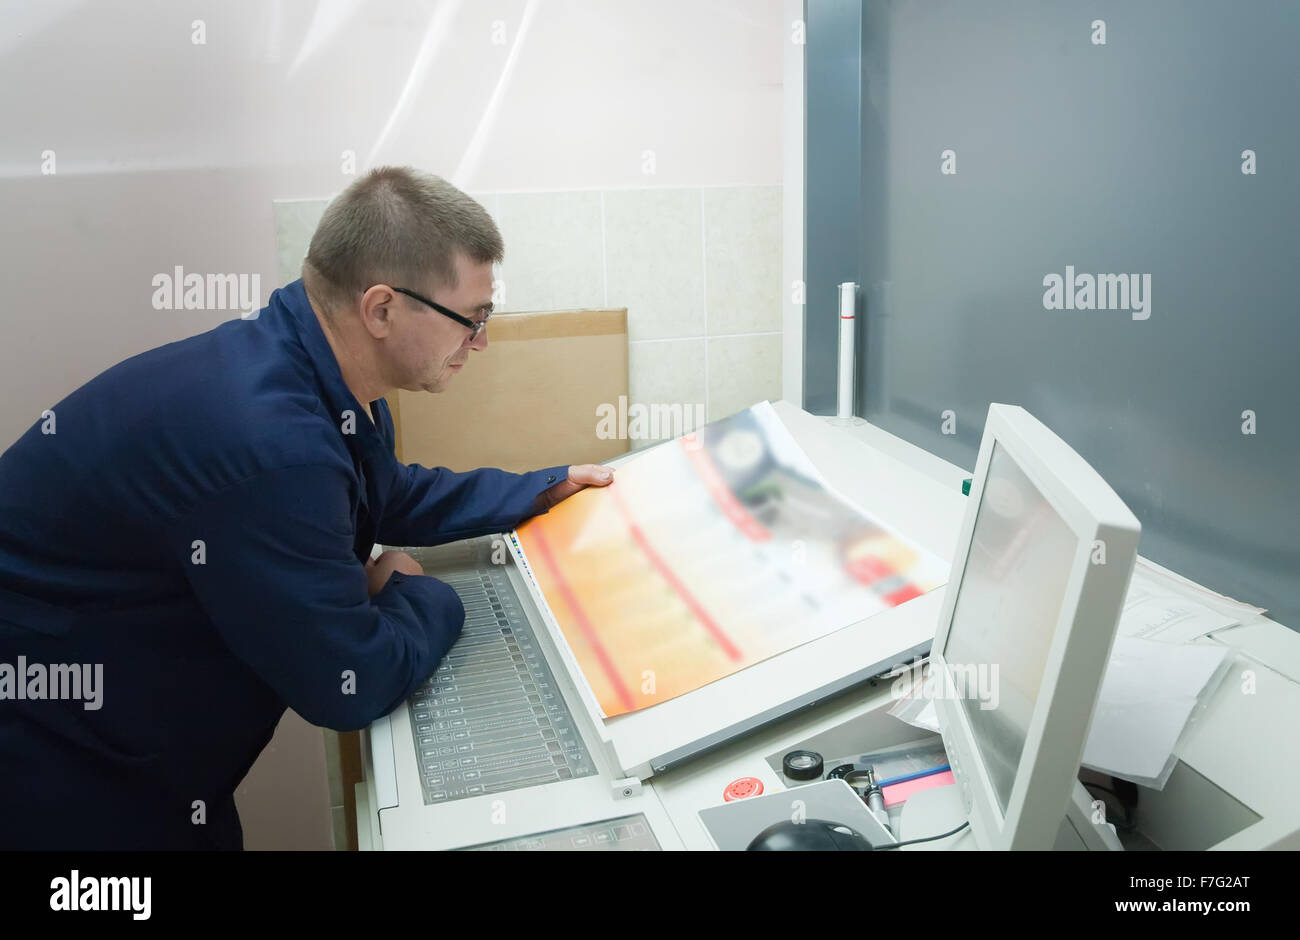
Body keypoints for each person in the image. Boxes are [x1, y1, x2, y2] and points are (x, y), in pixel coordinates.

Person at [0, 166, 613, 849]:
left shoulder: (308, 368)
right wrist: (420, 593)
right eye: (472, 319)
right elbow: (349, 684)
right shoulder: (272, 442)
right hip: (59, 760)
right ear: (381, 310)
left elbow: (384, 492)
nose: (481, 342)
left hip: (132, 733)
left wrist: (537, 491)